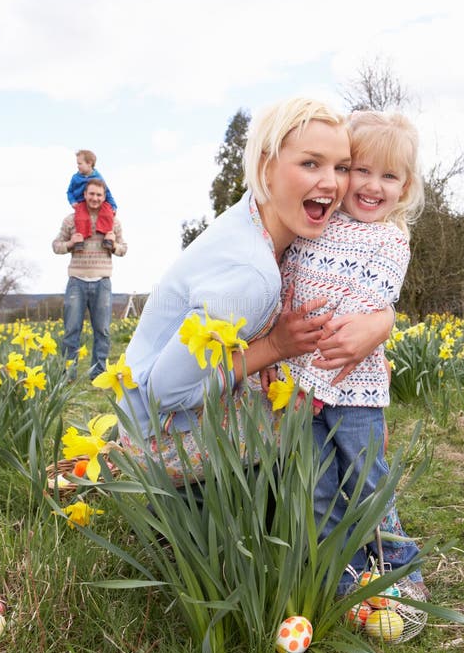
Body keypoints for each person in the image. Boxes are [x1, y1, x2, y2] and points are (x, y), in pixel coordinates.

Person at [119, 97, 394, 486]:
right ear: (266, 168)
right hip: (159, 440)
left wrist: (382, 322)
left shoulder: (262, 219)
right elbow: (167, 392)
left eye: (342, 167)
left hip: (142, 419)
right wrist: (274, 349)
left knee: (340, 380)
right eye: (310, 163)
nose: (332, 182)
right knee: (323, 407)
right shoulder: (252, 275)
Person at [279, 110, 427, 595]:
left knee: (367, 484)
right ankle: (344, 579)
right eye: (362, 170)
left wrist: (311, 386)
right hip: (300, 387)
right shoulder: (315, 226)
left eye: (388, 176)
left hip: (353, 389)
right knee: (318, 488)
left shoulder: (391, 239)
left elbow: (359, 313)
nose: (372, 185)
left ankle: (400, 569)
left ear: (404, 188)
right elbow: (289, 287)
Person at [53, 177, 127, 380]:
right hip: (76, 281)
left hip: (102, 281)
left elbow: (123, 249)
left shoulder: (113, 222)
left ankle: (99, 374)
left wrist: (113, 245)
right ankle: (68, 374)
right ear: (85, 195)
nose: (95, 198)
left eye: (99, 195)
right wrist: (70, 243)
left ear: (104, 197)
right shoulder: (71, 220)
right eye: (91, 194)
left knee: (102, 331)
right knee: (71, 330)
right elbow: (56, 246)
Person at [67, 149, 118, 252]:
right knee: (80, 217)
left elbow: (107, 192)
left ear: (89, 163)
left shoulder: (98, 177)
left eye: (80, 163)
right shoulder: (75, 178)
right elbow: (69, 191)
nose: (78, 166)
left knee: (107, 212)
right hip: (81, 203)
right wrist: (72, 201)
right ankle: (80, 239)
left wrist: (113, 206)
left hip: (99, 205)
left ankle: (108, 236)